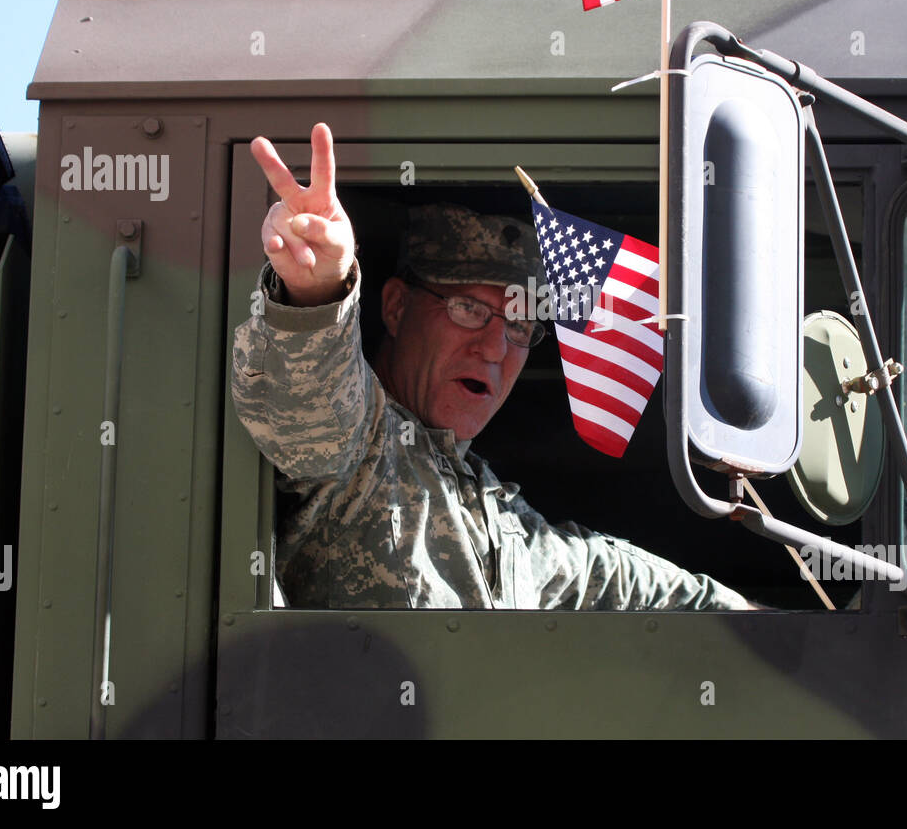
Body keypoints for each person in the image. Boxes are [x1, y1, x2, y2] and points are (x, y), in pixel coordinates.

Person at [231, 123, 757, 610]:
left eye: (520, 326)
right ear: (395, 307)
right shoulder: (359, 442)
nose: (494, 347)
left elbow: (613, 577)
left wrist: (764, 621)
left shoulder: (496, 516)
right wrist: (318, 285)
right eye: (469, 309)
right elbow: (311, 392)